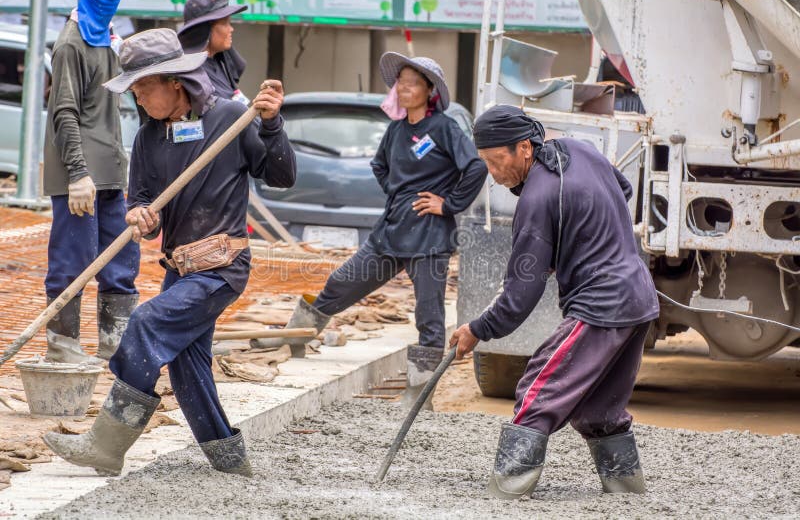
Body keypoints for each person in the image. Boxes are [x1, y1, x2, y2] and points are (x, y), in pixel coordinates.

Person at [43, 28, 296, 477]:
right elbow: (140, 199)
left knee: (144, 322)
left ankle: (106, 443)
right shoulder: (148, 139)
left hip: (220, 268)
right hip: (180, 268)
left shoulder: (231, 119)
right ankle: (229, 459)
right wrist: (140, 216)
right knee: (187, 366)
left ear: (174, 82)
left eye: (143, 88)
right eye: (133, 90)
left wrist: (272, 124)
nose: (138, 99)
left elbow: (281, 176)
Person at [250, 53, 487, 410]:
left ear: (429, 90)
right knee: (341, 283)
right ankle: (296, 335)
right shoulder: (396, 129)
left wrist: (448, 204)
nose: (404, 87)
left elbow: (475, 168)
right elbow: (380, 165)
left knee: (429, 317)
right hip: (390, 232)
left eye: (413, 81)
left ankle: (419, 395)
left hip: (429, 239)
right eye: (401, 81)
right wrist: (398, 193)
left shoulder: (444, 128)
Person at [449, 105, 659, 499]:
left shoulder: (537, 198)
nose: (493, 175)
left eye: (497, 162)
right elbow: (622, 190)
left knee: (537, 390)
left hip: (602, 303)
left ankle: (507, 491)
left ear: (524, 148)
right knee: (602, 410)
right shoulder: (579, 150)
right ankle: (627, 492)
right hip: (639, 296)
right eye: (486, 165)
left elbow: (519, 297)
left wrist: (477, 330)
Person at [42, 0, 140, 364]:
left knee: (121, 258)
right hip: (79, 175)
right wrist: (78, 173)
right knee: (73, 259)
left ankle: (115, 345)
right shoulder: (71, 44)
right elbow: (63, 112)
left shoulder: (108, 39)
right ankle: (63, 348)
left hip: (111, 171)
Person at [177, 0, 249, 104]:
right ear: (205, 30)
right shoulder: (194, 74)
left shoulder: (221, 63)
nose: (231, 29)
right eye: (225, 23)